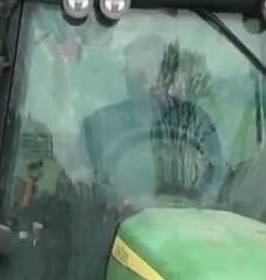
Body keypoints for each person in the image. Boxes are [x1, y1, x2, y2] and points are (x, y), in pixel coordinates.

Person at [80, 33, 225, 201]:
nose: (147, 83)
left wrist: (201, 204)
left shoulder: (194, 120)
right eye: (137, 75)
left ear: (168, 74)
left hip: (188, 218)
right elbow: (79, 174)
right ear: (126, 76)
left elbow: (215, 180)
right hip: (119, 219)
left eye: (150, 72)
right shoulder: (101, 123)